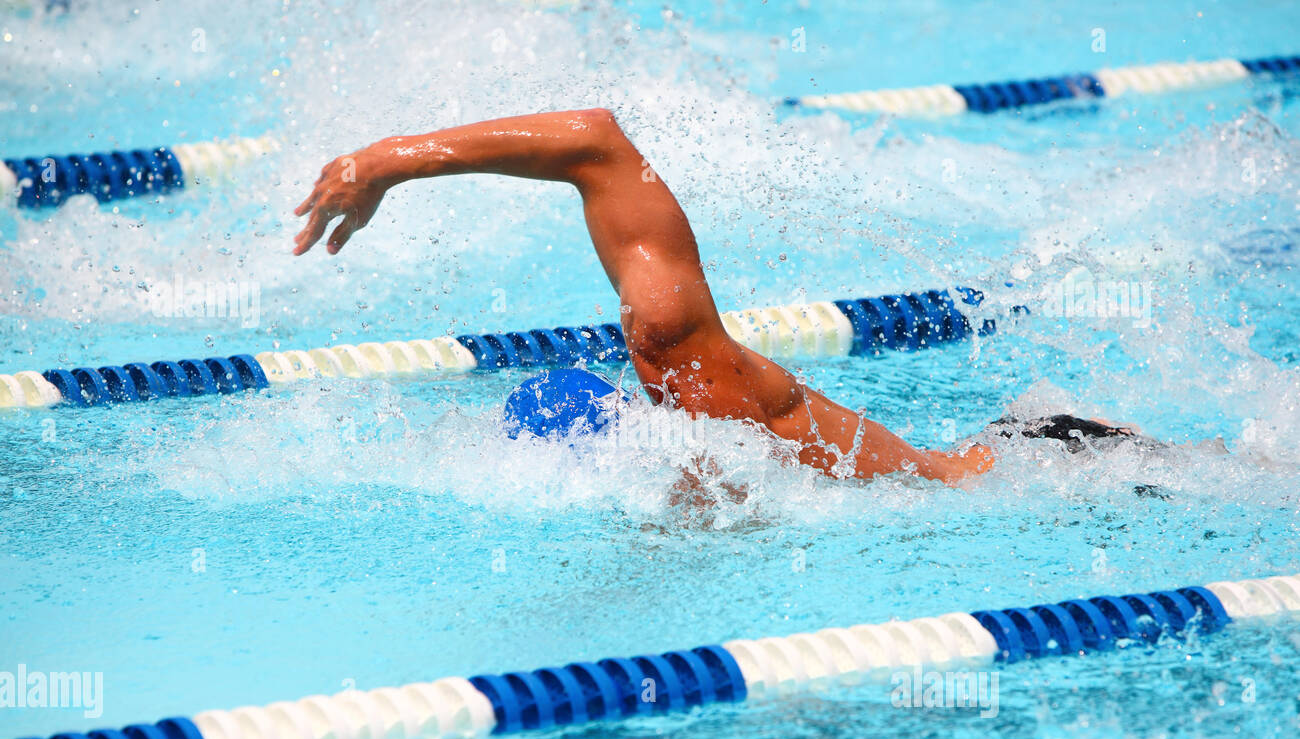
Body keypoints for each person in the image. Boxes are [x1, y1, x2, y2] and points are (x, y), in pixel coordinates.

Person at [293, 109, 1135, 485]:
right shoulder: (686, 434)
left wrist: (392, 158)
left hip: (1034, 466)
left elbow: (596, 139)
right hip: (995, 453)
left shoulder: (679, 356)